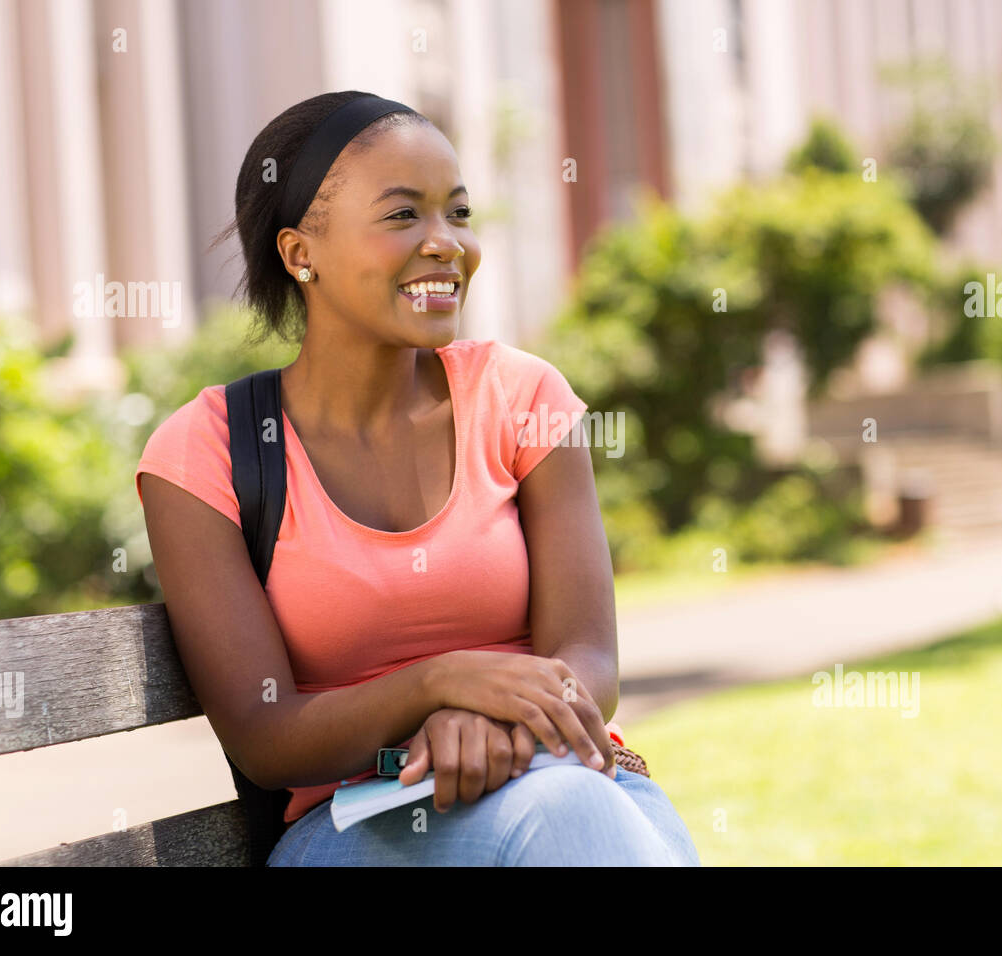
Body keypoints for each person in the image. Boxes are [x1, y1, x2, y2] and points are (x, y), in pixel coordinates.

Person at [135, 91, 700, 866]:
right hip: (355, 827)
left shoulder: (521, 398)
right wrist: (437, 687)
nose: (446, 244)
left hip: (572, 783)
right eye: (403, 216)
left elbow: (590, 664)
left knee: (572, 810)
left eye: (458, 214)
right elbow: (267, 737)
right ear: (301, 253)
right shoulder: (206, 452)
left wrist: (494, 726)